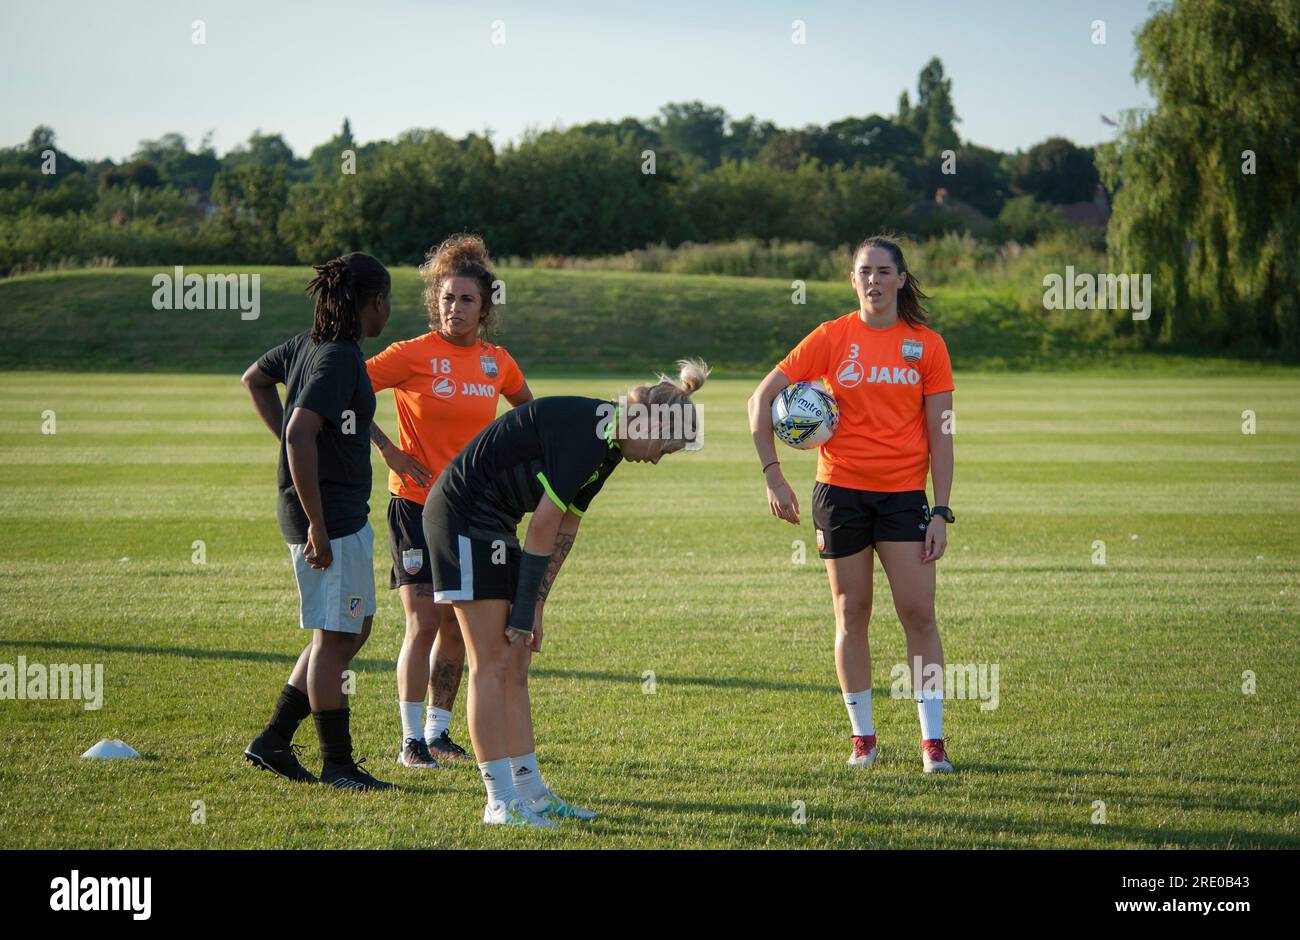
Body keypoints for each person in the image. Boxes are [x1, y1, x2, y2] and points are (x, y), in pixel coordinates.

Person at [424, 361, 710, 826]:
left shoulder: (611, 446)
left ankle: (531, 791)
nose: (658, 459)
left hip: (495, 524)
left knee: (516, 660)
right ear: (652, 423)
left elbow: (566, 526)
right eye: (665, 447)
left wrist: (535, 603)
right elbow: (542, 525)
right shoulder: (592, 433)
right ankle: (499, 801)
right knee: (491, 663)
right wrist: (523, 605)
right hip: (461, 517)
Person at [747, 235, 957, 774]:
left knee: (919, 613)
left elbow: (942, 434)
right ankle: (863, 738)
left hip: (904, 497)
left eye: (884, 271)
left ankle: (932, 744)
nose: (874, 280)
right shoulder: (831, 336)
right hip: (839, 493)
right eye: (865, 271)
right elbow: (760, 398)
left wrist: (940, 509)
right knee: (850, 613)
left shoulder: (926, 345)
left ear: (901, 279)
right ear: (853, 279)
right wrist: (774, 475)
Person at [366, 235, 532, 769]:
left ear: (485, 309)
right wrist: (388, 449)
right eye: (445, 297)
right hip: (414, 505)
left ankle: (439, 734)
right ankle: (410, 740)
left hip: (471, 513)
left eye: (465, 300)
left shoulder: (497, 363)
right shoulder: (410, 355)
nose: (452, 308)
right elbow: (341, 389)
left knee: (463, 626)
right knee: (424, 621)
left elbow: (528, 418)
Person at [241, 251, 396, 791]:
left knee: (352, 630)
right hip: (327, 518)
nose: (389, 311)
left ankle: (274, 741)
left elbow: (255, 380)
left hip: (333, 513)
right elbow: (299, 430)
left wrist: (290, 445)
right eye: (387, 301)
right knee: (335, 639)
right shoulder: (339, 358)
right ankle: (338, 765)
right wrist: (317, 523)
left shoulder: (306, 346)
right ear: (373, 302)